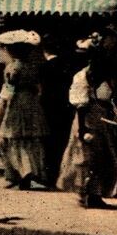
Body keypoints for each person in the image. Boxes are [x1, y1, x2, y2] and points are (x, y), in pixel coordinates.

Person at [55, 37, 117, 207]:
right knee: (86, 158)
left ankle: (96, 194)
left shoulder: (104, 77)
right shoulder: (82, 77)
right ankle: (89, 194)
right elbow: (81, 106)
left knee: (102, 157)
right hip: (88, 120)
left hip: (102, 120)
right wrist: (82, 129)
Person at [0, 36, 51, 189]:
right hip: (31, 102)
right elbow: (37, 86)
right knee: (30, 139)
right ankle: (30, 172)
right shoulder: (32, 66)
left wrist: (2, 104)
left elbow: (9, 88)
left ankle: (21, 174)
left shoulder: (12, 67)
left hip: (17, 101)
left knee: (14, 137)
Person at [38, 37, 76, 186]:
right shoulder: (67, 66)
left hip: (47, 108)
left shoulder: (43, 68)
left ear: (44, 51)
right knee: (62, 141)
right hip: (64, 107)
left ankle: (49, 175)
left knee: (49, 142)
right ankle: (61, 173)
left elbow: (41, 90)